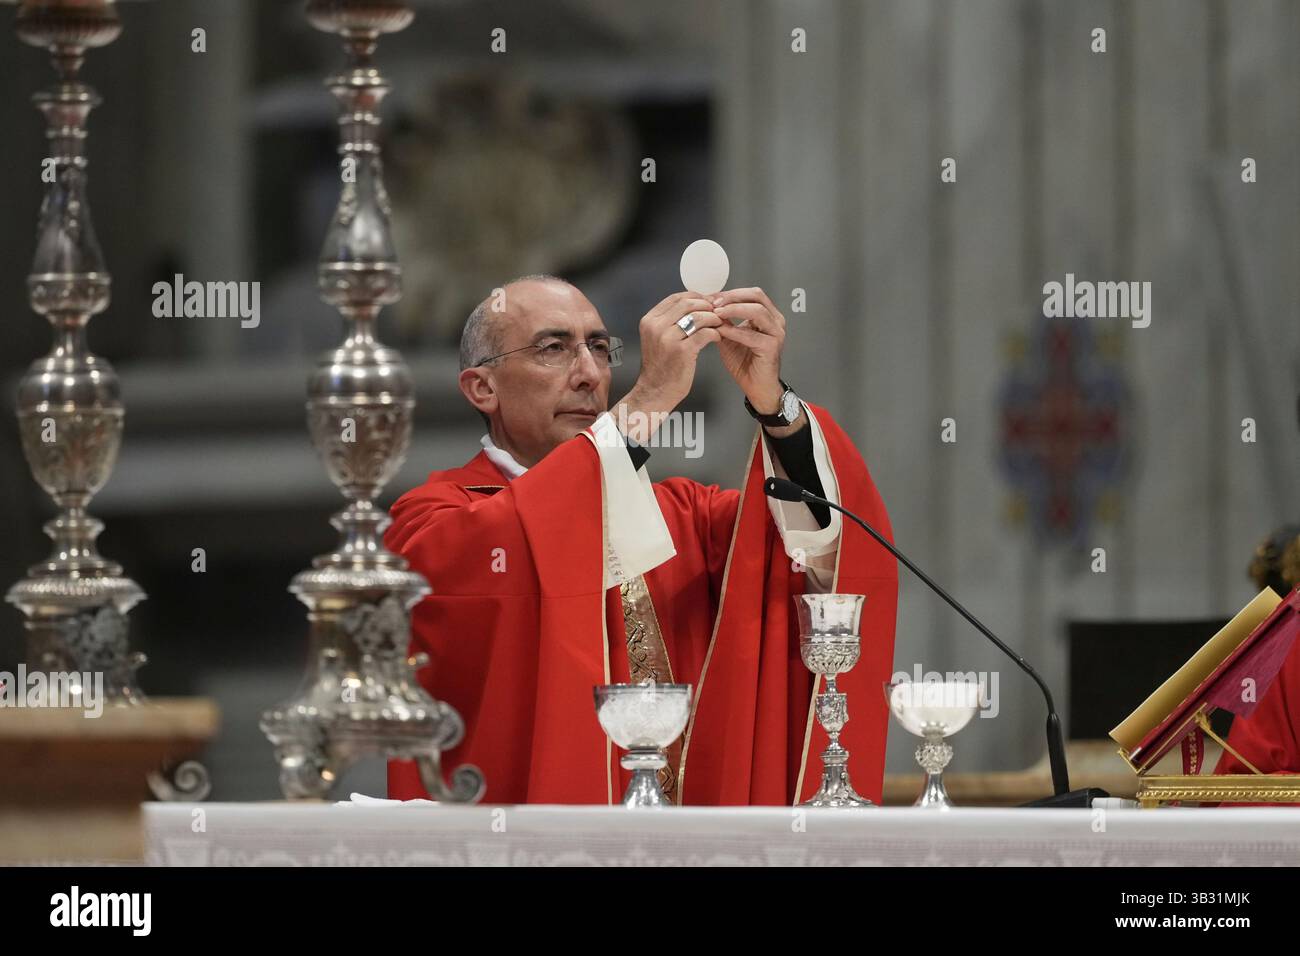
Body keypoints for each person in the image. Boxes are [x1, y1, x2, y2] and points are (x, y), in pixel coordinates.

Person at [385, 275, 897, 805]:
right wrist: (648, 401)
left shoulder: (683, 517)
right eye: (553, 349)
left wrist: (775, 406)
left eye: (600, 349)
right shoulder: (433, 520)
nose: (589, 374)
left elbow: (818, 554)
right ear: (481, 388)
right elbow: (516, 545)